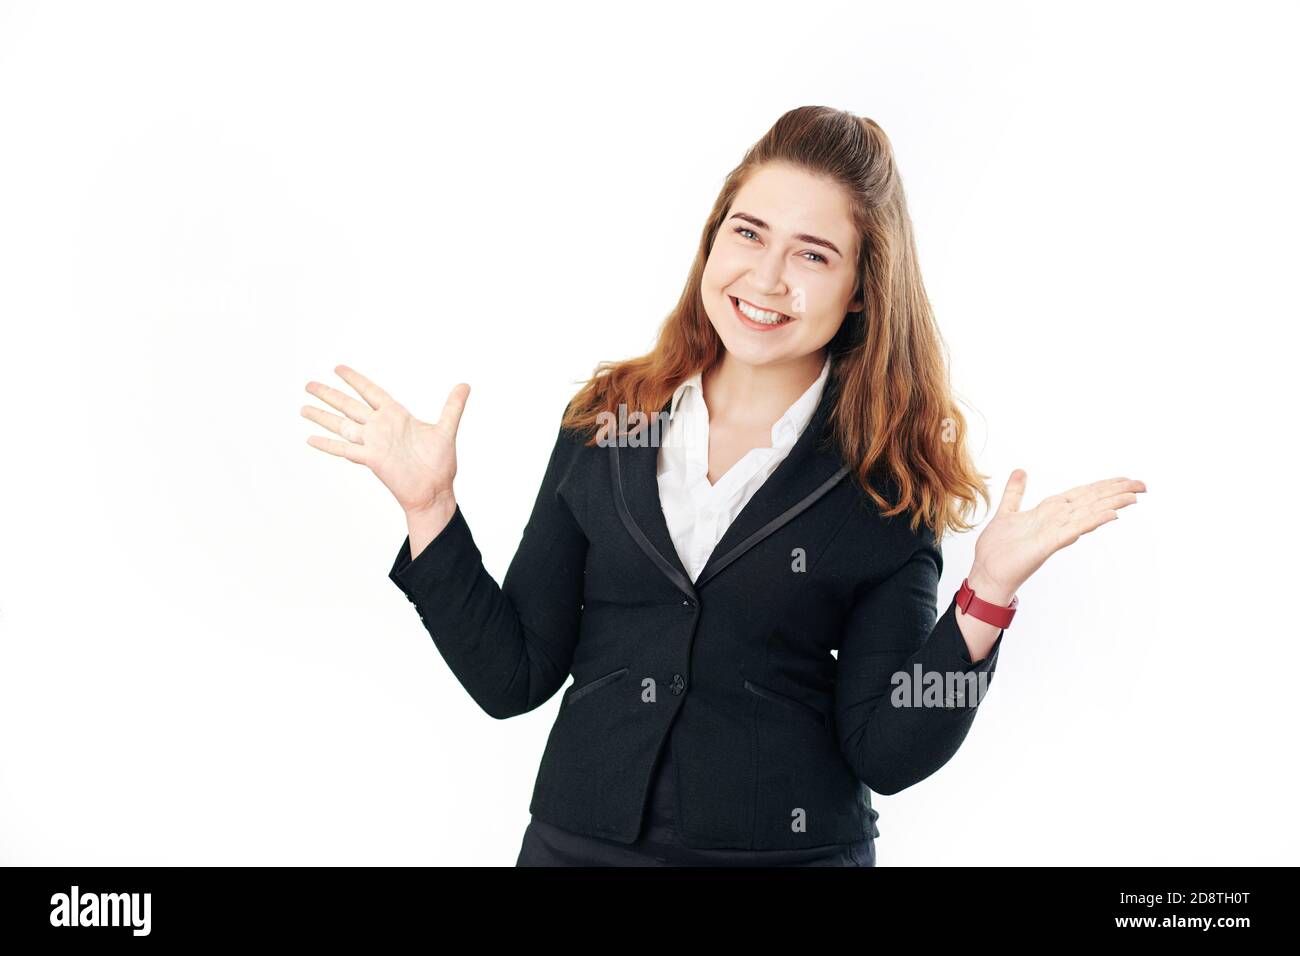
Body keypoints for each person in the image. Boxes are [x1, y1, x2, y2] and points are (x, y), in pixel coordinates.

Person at [300, 105, 1146, 866]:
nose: (767, 278)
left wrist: (986, 599)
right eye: (748, 234)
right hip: (576, 847)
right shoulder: (607, 422)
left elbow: (886, 753)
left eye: (812, 254)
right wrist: (430, 513)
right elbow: (513, 677)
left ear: (861, 291)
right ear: (713, 241)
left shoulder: (887, 483)